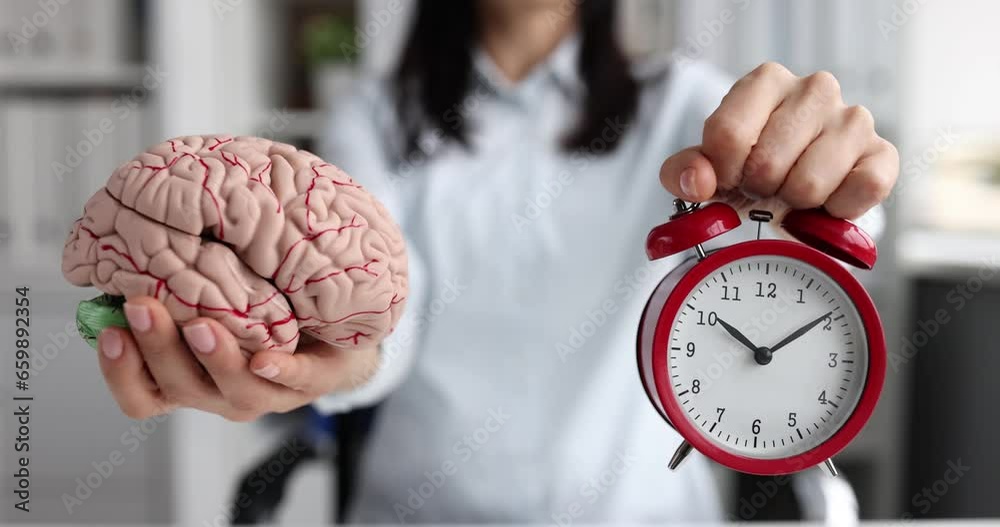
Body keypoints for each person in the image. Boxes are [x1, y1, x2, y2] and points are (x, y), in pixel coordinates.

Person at [93, 0, 898, 522]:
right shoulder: (375, 119)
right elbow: (385, 326)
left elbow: (821, 226)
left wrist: (828, 183)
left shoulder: (683, 103)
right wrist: (325, 363)